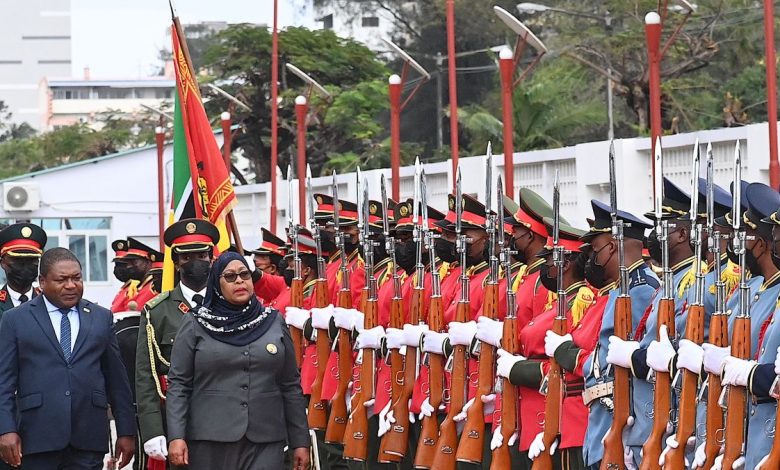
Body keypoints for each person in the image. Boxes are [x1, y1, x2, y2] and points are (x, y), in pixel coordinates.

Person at [166, 251, 310, 470]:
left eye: (244, 274)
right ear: (217, 283)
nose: (240, 281)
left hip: (266, 438)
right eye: (230, 277)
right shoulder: (196, 323)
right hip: (210, 439)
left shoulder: (273, 321)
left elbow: (290, 385)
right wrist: (176, 436)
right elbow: (179, 384)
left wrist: (300, 441)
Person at [0, 247, 136, 469]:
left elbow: (117, 381)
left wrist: (126, 430)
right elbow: (4, 382)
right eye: (61, 280)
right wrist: (6, 429)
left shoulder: (101, 318)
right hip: (36, 437)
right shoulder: (15, 320)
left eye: (76, 278)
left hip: (88, 438)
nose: (71, 285)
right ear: (42, 282)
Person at [134, 218, 220, 470]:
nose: (195, 262)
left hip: (227, 420)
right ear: (176, 261)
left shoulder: (230, 304)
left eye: (201, 255)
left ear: (211, 258)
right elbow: (146, 374)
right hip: (178, 421)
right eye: (187, 257)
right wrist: (151, 430)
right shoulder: (157, 311)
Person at [0, 222, 47, 316]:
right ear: (3, 263)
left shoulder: (48, 302)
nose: (25, 265)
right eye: (18, 259)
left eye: (31, 259)